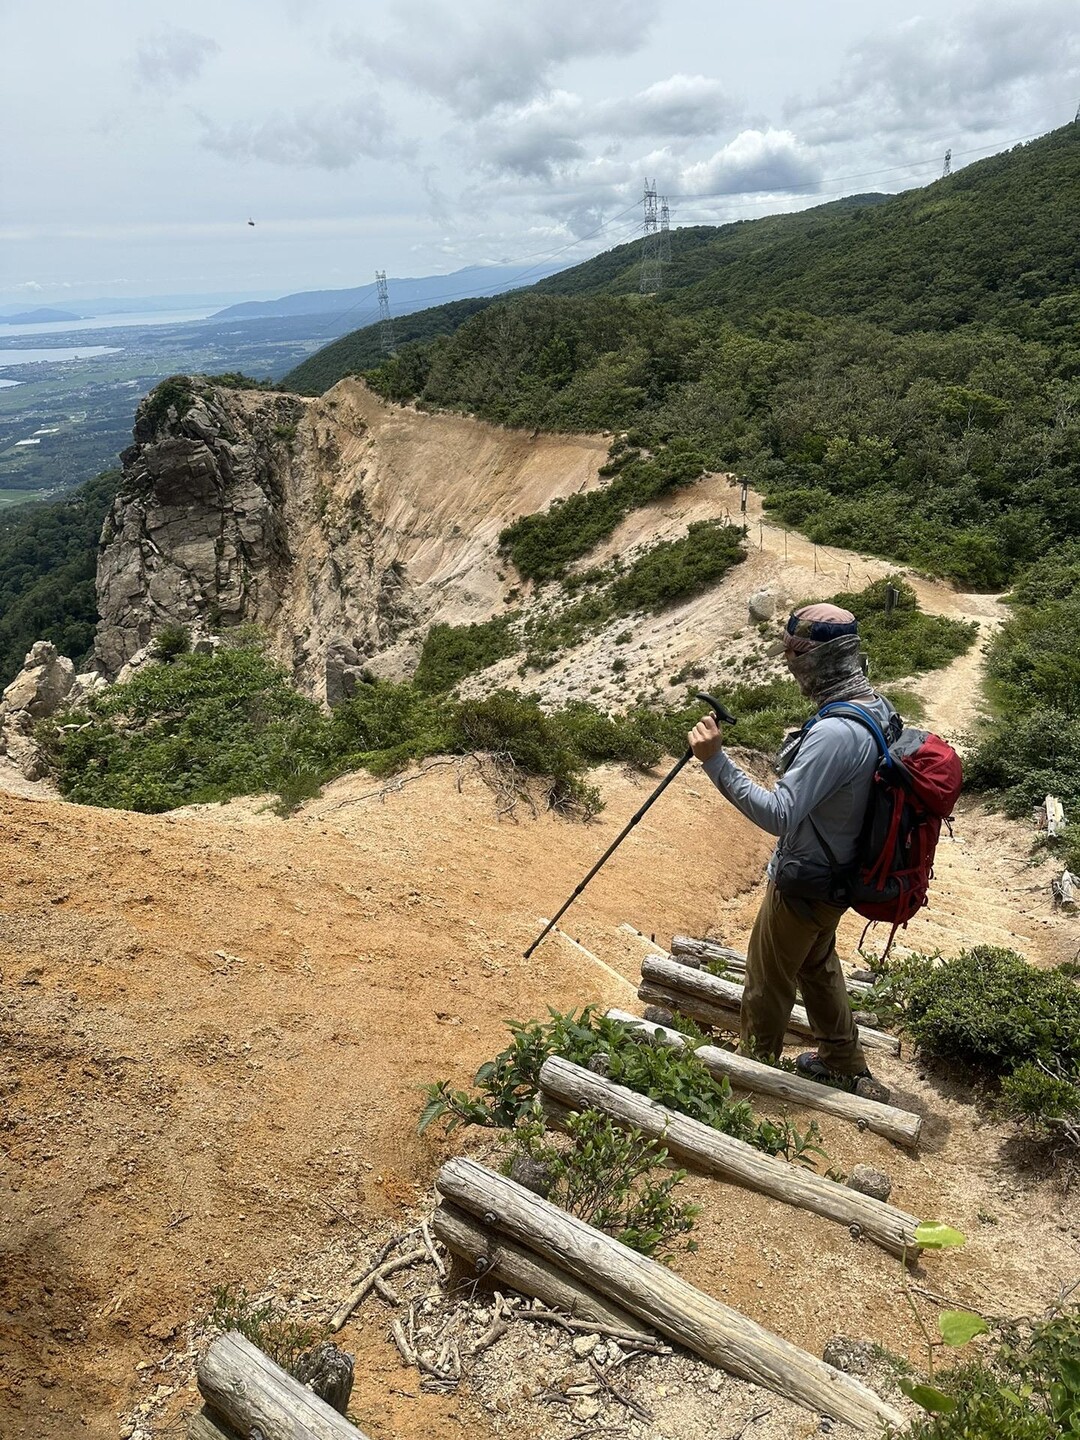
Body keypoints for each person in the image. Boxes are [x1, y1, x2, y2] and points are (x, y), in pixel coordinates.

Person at [687, 603, 898, 1096]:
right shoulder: (873, 707)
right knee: (816, 964)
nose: (789, 662)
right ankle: (843, 1060)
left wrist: (715, 761)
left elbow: (778, 813)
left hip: (805, 879)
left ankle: (750, 1079)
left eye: (796, 653)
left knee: (767, 978)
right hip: (841, 875)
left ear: (819, 660)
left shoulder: (833, 733)